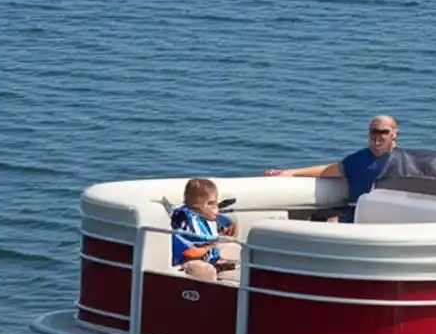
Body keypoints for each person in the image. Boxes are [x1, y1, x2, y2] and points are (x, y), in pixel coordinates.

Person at [263, 115, 399, 222]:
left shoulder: (404, 161)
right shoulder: (357, 159)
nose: (376, 143)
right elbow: (329, 170)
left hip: (386, 220)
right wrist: (290, 173)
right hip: (355, 218)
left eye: (382, 137)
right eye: (373, 137)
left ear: (393, 134)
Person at [171, 178, 239, 282]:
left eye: (216, 203)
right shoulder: (185, 222)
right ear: (196, 206)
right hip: (188, 263)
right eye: (211, 203)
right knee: (205, 270)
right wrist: (212, 245)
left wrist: (230, 227)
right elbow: (189, 253)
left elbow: (222, 223)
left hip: (209, 259)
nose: (215, 208)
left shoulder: (206, 218)